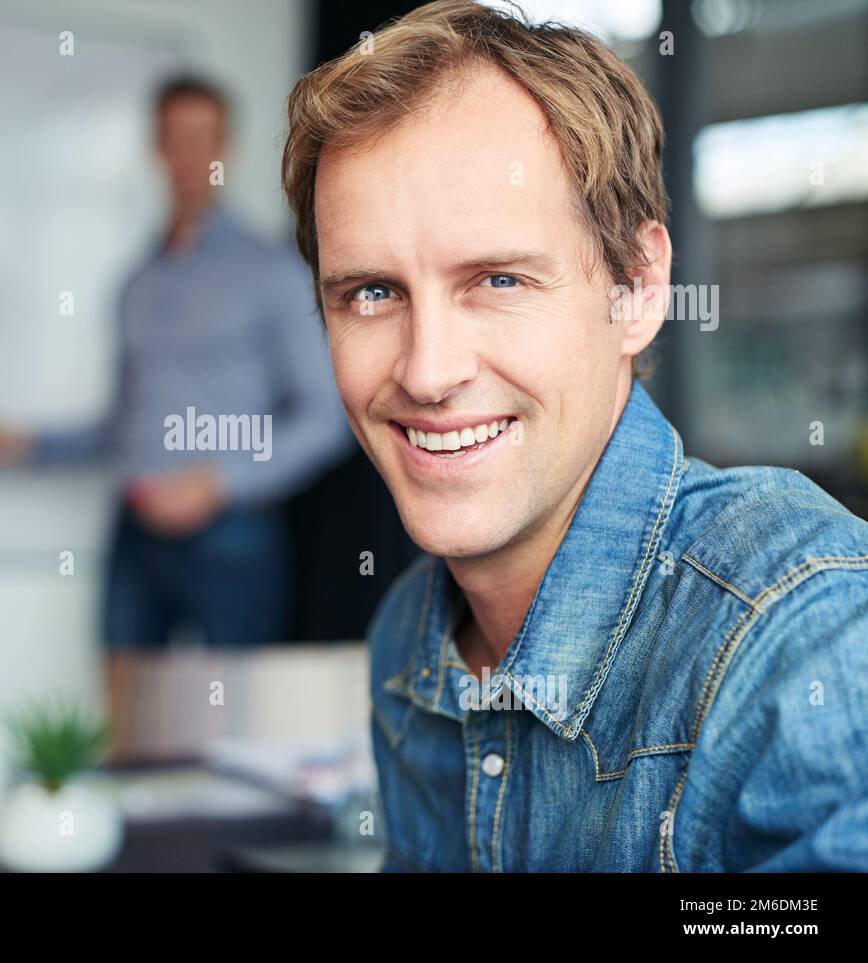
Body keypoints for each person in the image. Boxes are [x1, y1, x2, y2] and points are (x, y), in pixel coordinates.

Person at [281, 0, 868, 871]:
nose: (427, 372)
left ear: (635, 287)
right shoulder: (410, 636)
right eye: (372, 292)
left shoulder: (803, 627)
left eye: (499, 279)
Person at [0, 76, 350, 647]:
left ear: (225, 150)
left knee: (235, 723)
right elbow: (126, 424)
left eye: (202, 139)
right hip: (135, 532)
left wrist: (219, 484)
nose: (188, 157)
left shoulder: (271, 271)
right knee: (129, 718)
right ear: (156, 150)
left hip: (233, 535)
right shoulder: (136, 283)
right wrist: (23, 444)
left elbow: (325, 419)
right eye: (175, 139)